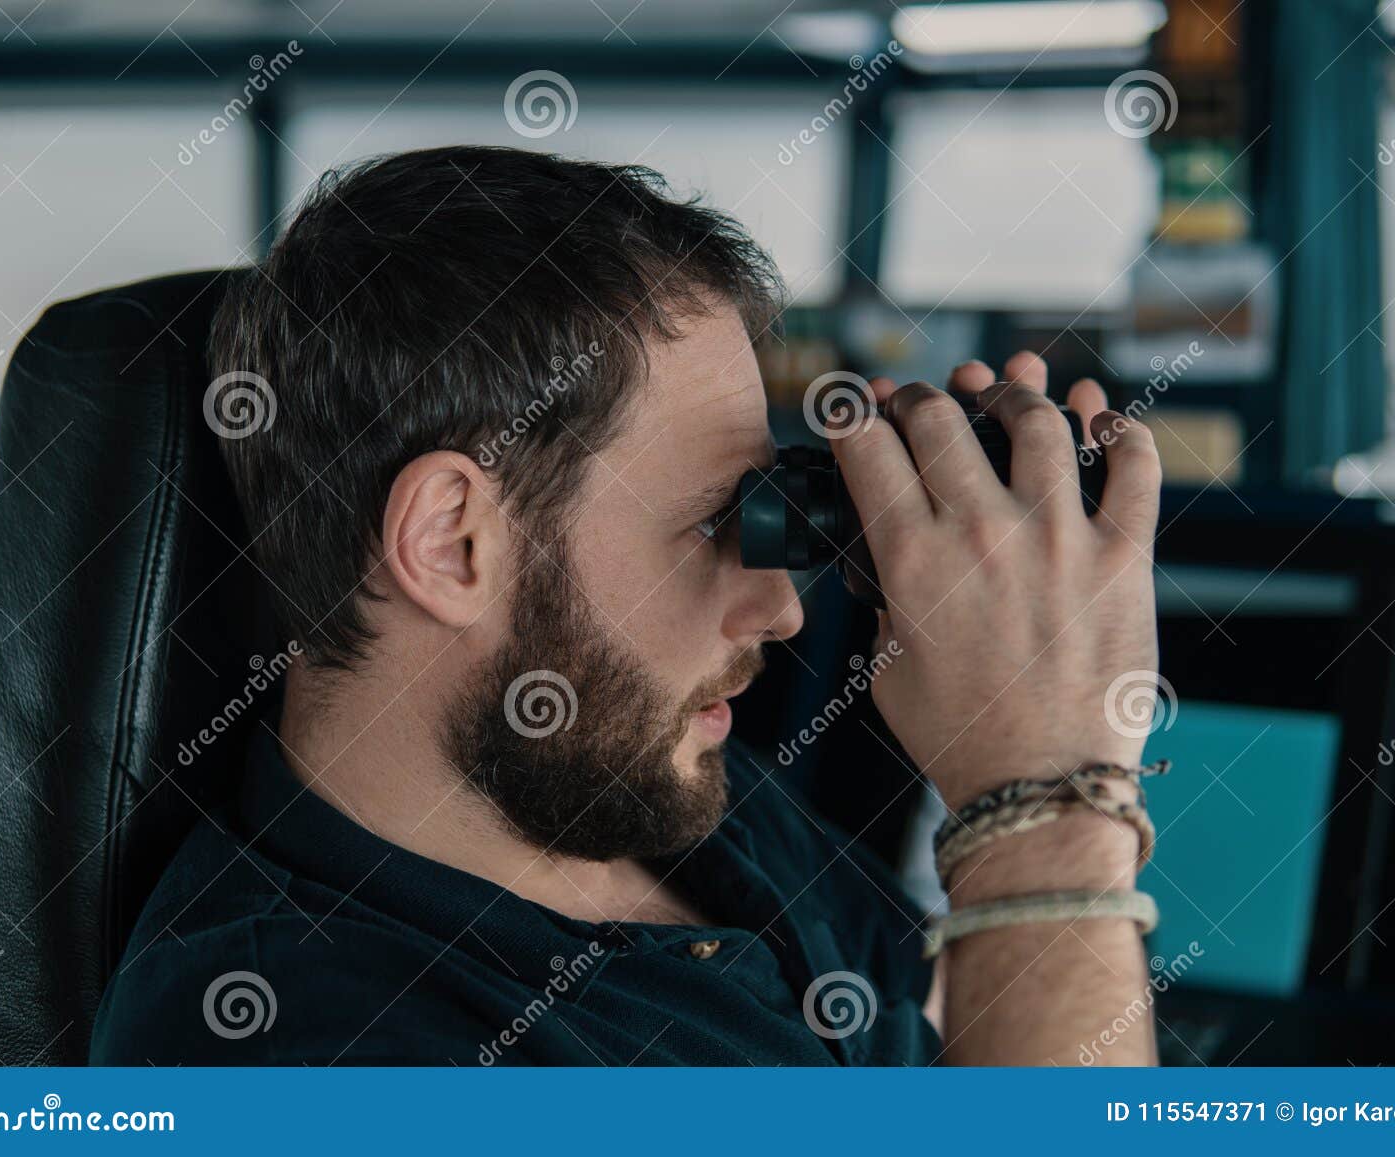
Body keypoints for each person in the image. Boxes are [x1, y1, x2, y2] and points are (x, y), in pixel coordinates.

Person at [91, 145, 1163, 1066]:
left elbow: (926, 1032)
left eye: (761, 512)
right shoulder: (301, 1045)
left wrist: (989, 664)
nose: (780, 611)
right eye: (709, 519)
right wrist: (1044, 803)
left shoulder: (642, 775)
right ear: (450, 542)